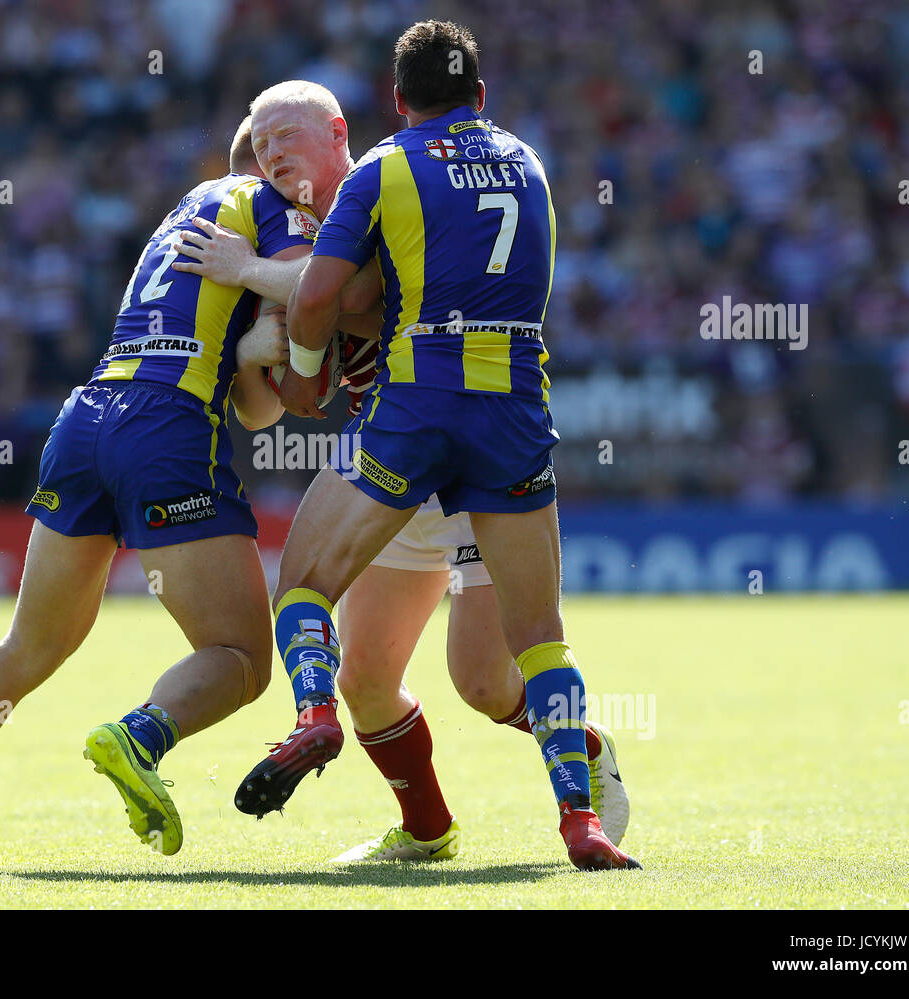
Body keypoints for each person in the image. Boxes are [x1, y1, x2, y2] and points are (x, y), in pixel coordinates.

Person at [0, 130, 325, 868]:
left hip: (88, 417)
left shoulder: (180, 217)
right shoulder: (271, 204)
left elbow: (253, 406)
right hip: (165, 427)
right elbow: (311, 288)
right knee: (243, 657)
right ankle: (141, 734)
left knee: (26, 646)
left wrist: (246, 354)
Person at [237, 19, 640, 870]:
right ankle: (563, 821)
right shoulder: (528, 164)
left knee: (311, 589)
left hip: (414, 422)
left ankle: (312, 721)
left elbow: (318, 299)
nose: (273, 156)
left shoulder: (383, 170)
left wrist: (303, 373)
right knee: (511, 653)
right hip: (512, 419)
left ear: (391, 104)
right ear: (481, 97)